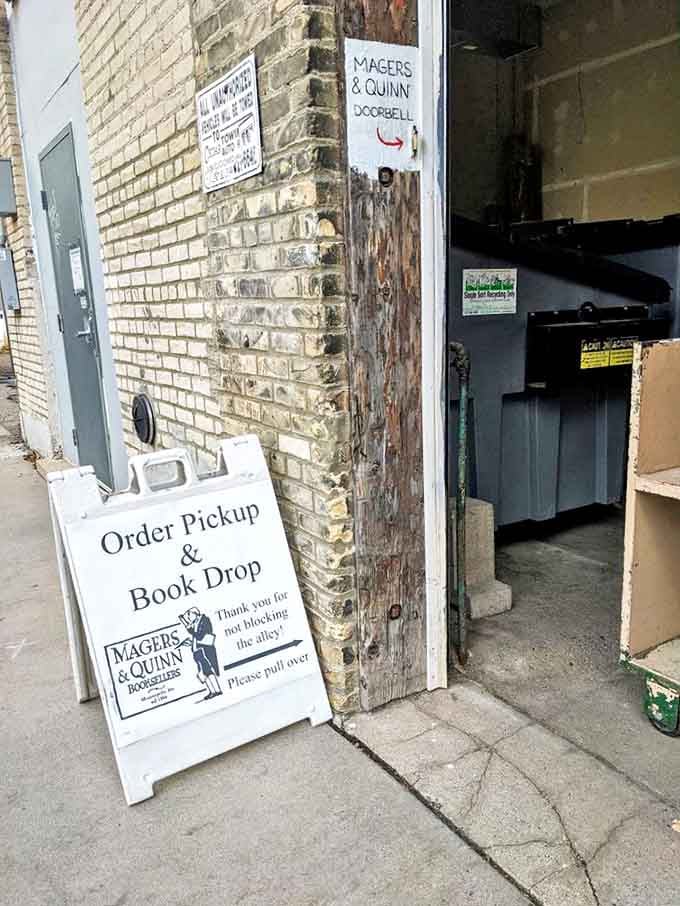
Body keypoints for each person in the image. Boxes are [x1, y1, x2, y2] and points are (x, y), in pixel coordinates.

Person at [178, 607, 222, 701]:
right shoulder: (196, 623)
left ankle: (216, 690)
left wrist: (189, 629)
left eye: (189, 615)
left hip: (203, 650)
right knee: (203, 672)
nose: (189, 618)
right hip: (197, 650)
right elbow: (196, 637)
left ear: (195, 614)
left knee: (207, 670)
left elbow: (200, 636)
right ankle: (212, 691)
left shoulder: (204, 621)